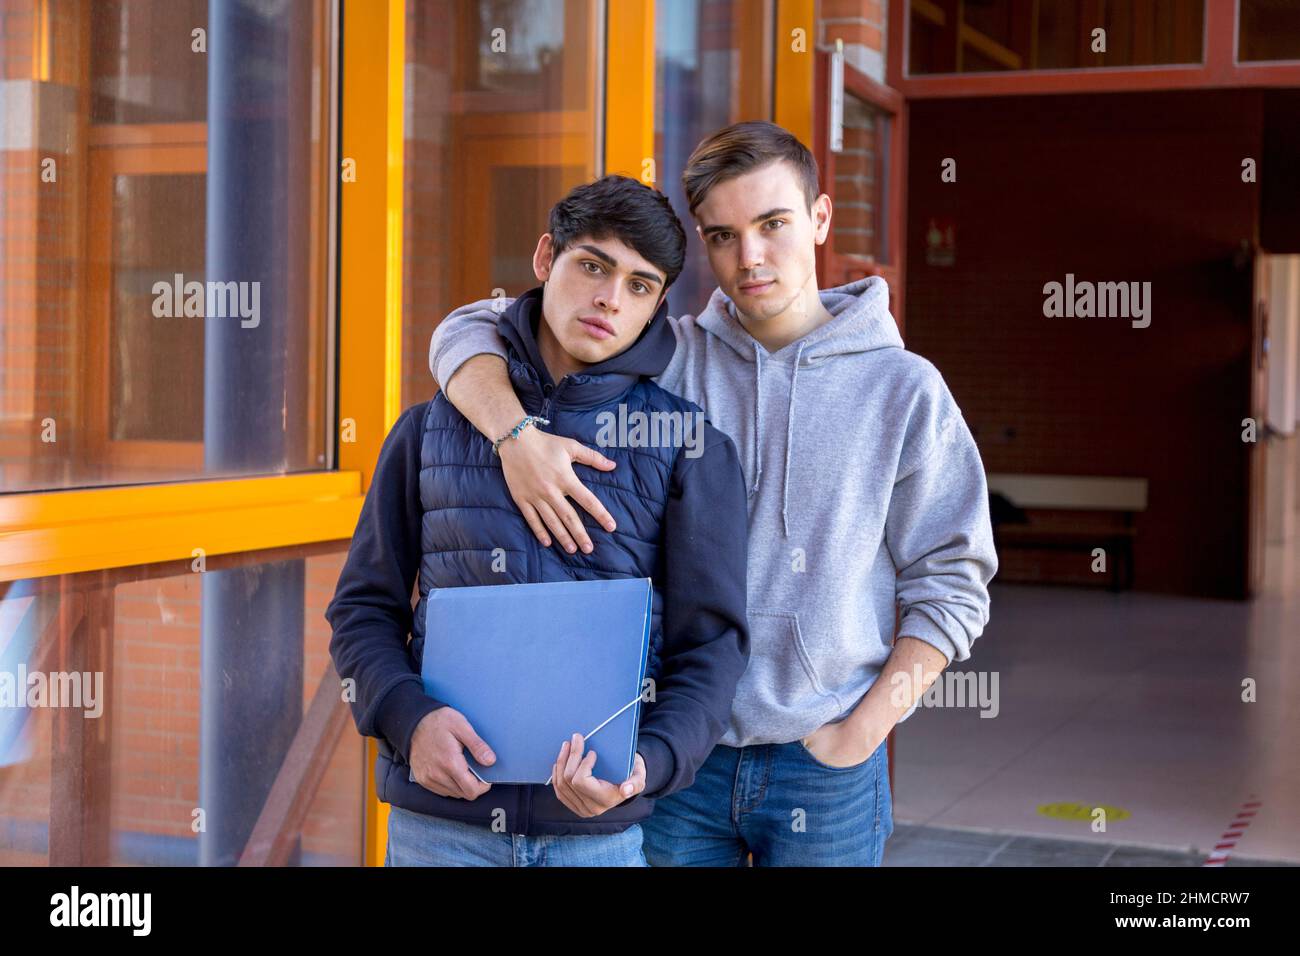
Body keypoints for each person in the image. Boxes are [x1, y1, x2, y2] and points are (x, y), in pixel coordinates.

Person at [427, 121, 999, 866]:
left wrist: (863, 731)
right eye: (723, 236)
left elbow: (954, 583)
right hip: (670, 757)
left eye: (773, 225)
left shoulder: (904, 390)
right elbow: (472, 327)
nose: (750, 258)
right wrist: (514, 437)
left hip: (824, 764)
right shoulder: (666, 359)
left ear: (820, 218)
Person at [327, 174, 750, 867]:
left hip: (597, 838)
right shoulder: (428, 429)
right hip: (441, 828)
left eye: (640, 286)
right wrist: (409, 721)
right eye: (593, 266)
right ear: (545, 257)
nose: (610, 299)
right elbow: (362, 609)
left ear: (656, 307)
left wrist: (648, 762)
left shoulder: (689, 448)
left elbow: (711, 647)